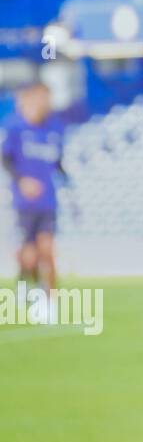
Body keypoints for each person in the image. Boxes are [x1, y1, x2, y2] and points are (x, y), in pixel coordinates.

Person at [2, 80, 68, 324]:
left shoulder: (54, 128)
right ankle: (25, 285)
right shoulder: (15, 127)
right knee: (28, 256)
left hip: (48, 202)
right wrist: (22, 181)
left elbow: (58, 161)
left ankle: (50, 302)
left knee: (47, 250)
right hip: (24, 204)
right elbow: (6, 158)